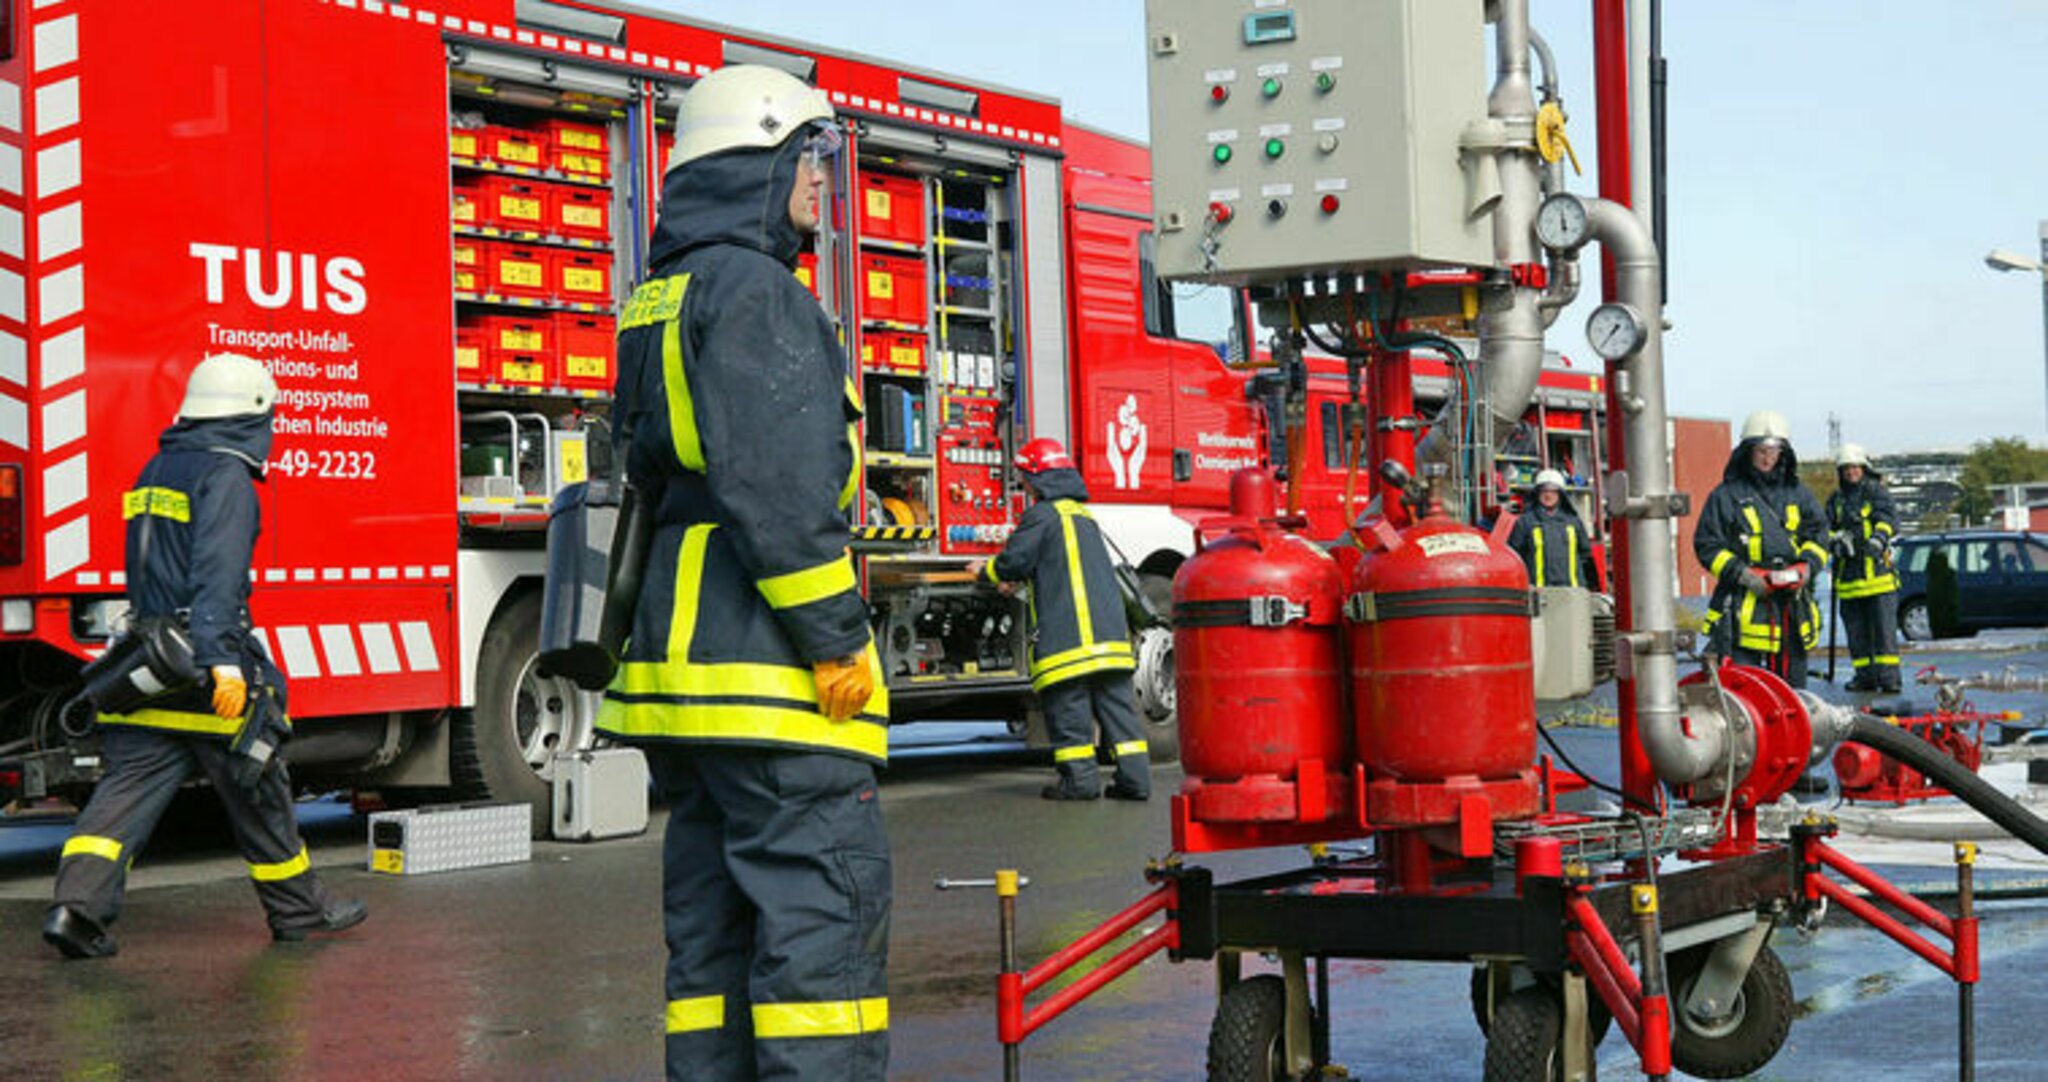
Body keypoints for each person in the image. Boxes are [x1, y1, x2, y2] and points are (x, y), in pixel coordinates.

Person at [595, 65, 890, 1081]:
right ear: (756, 164)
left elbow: (641, 470)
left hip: (686, 687)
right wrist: (838, 641)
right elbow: (777, 495)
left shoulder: (656, 295)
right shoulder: (759, 292)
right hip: (771, 682)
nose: (821, 184)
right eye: (807, 159)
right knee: (821, 939)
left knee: (710, 944)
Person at [43, 353, 366, 959]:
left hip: (144, 663)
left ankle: (74, 911)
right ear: (252, 416)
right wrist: (222, 661)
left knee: (122, 796)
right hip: (203, 664)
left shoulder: (157, 468)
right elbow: (216, 575)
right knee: (259, 780)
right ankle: (298, 911)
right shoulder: (226, 479)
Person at [968, 438, 1151, 802]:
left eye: (1024, 479)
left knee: (1069, 713)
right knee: (1119, 714)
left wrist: (984, 571)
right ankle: (1136, 781)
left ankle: (1079, 783)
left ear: (1037, 479)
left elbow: (1013, 562)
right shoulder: (1084, 516)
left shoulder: (1041, 515)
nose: (1022, 486)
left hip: (1070, 642)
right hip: (1110, 639)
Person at [1694, 410, 1830, 688]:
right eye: (1761, 450)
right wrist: (1744, 575)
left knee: (1794, 694)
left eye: (1774, 450)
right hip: (1744, 611)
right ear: (1748, 451)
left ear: (1784, 452)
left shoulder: (1799, 494)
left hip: (1792, 610)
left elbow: (1819, 534)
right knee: (1746, 691)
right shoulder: (1726, 495)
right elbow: (1707, 544)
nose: (1768, 457)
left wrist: (1806, 567)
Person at [1826, 443, 1901, 693]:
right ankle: (1865, 677)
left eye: (1855, 467)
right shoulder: (1836, 500)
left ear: (1864, 468)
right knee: (1856, 635)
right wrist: (1835, 542)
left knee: (1884, 634)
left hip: (1877, 578)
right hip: (1848, 581)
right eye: (1846, 468)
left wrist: (1878, 539)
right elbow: (1824, 528)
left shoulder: (1876, 492)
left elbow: (1888, 518)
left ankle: (1889, 679)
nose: (1851, 472)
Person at [1506, 469, 1601, 590]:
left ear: (1560, 494)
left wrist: (1591, 590)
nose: (1548, 495)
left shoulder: (1573, 522)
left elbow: (1586, 557)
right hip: (1539, 595)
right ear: (1537, 494)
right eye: (1544, 491)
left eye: (1553, 491)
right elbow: (1515, 558)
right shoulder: (1525, 523)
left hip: (1573, 594)